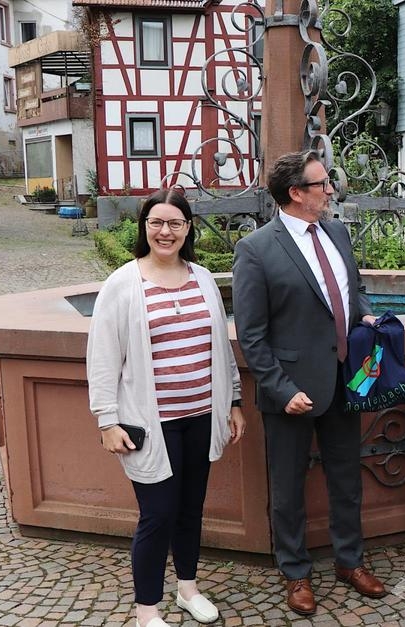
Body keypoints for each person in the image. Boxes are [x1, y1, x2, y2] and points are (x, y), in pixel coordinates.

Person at [232, 150, 386, 616]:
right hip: (292, 392)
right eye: (322, 184)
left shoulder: (337, 232)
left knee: (346, 479)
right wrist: (281, 389)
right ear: (296, 193)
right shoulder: (256, 248)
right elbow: (251, 335)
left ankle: (349, 561)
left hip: (345, 380)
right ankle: (295, 572)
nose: (331, 190)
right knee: (287, 488)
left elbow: (349, 290)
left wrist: (364, 313)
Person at [87, 189, 246, 627]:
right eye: (156, 222)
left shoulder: (204, 279)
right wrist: (106, 420)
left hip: (200, 416)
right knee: (157, 515)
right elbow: (102, 357)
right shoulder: (123, 284)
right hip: (150, 425)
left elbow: (221, 348)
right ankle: (146, 610)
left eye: (175, 223)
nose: (165, 231)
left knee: (191, 509)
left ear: (188, 228)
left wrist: (233, 401)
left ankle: (188, 589)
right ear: (144, 227)